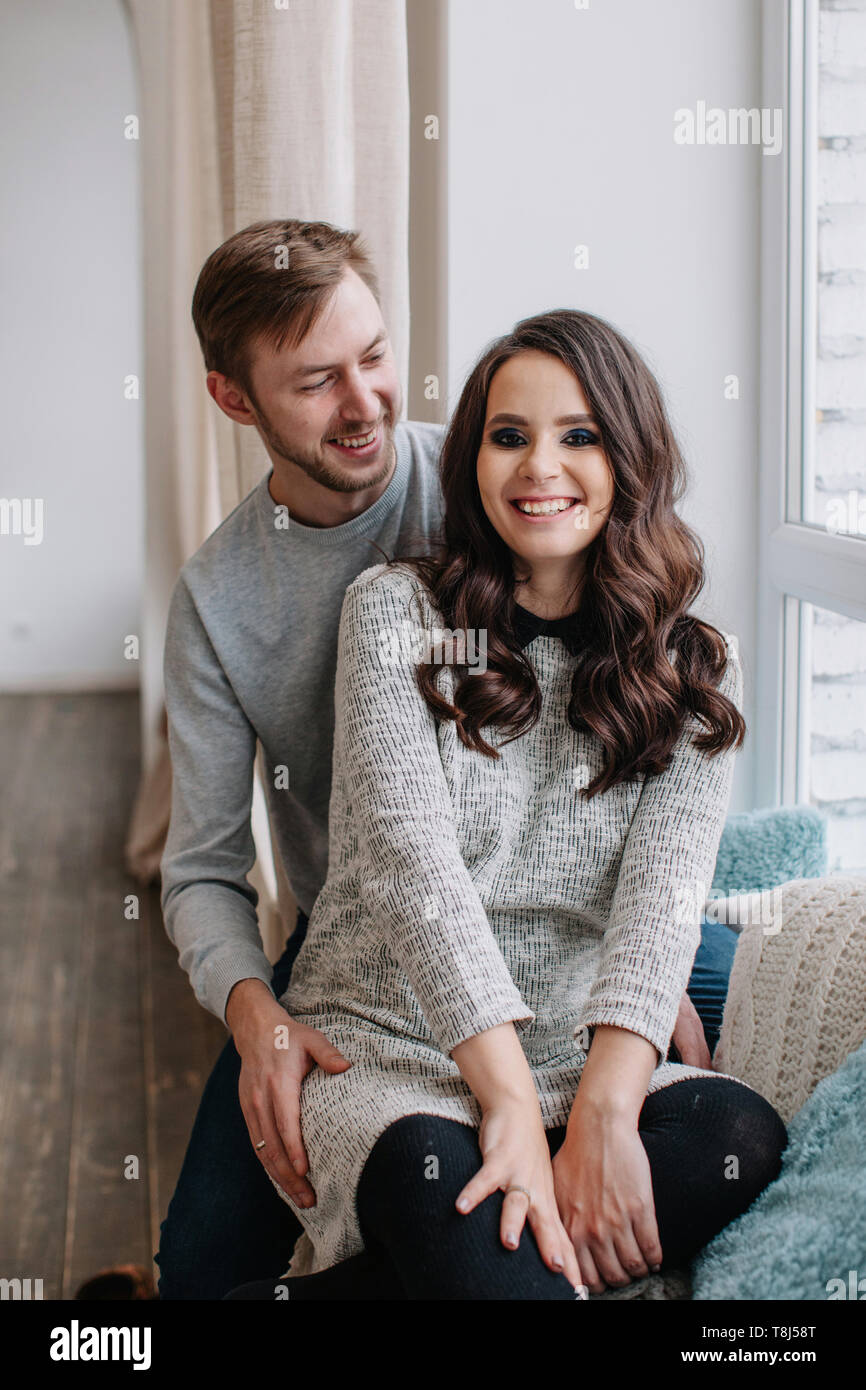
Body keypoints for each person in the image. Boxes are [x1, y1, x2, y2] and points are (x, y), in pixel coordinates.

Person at [154, 219, 747, 1300]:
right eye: (316, 382)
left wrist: (629, 1011)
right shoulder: (226, 601)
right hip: (371, 946)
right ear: (236, 401)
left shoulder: (499, 460)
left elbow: (633, 626)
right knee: (193, 1271)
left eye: (374, 357)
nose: (364, 403)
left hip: (561, 911)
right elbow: (211, 869)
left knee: (731, 1112)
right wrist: (259, 1019)